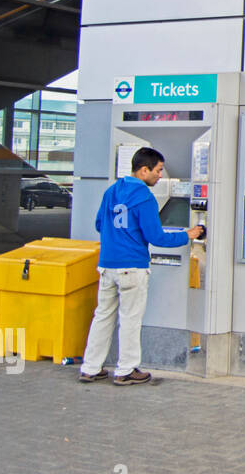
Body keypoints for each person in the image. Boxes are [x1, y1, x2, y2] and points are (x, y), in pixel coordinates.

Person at [79, 147, 205, 386]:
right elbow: (156, 236)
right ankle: (125, 370)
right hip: (132, 267)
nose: (160, 176)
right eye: (158, 171)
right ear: (144, 170)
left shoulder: (111, 191)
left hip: (107, 266)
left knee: (103, 316)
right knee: (130, 319)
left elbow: (99, 224)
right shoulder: (143, 196)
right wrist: (187, 235)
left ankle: (90, 367)